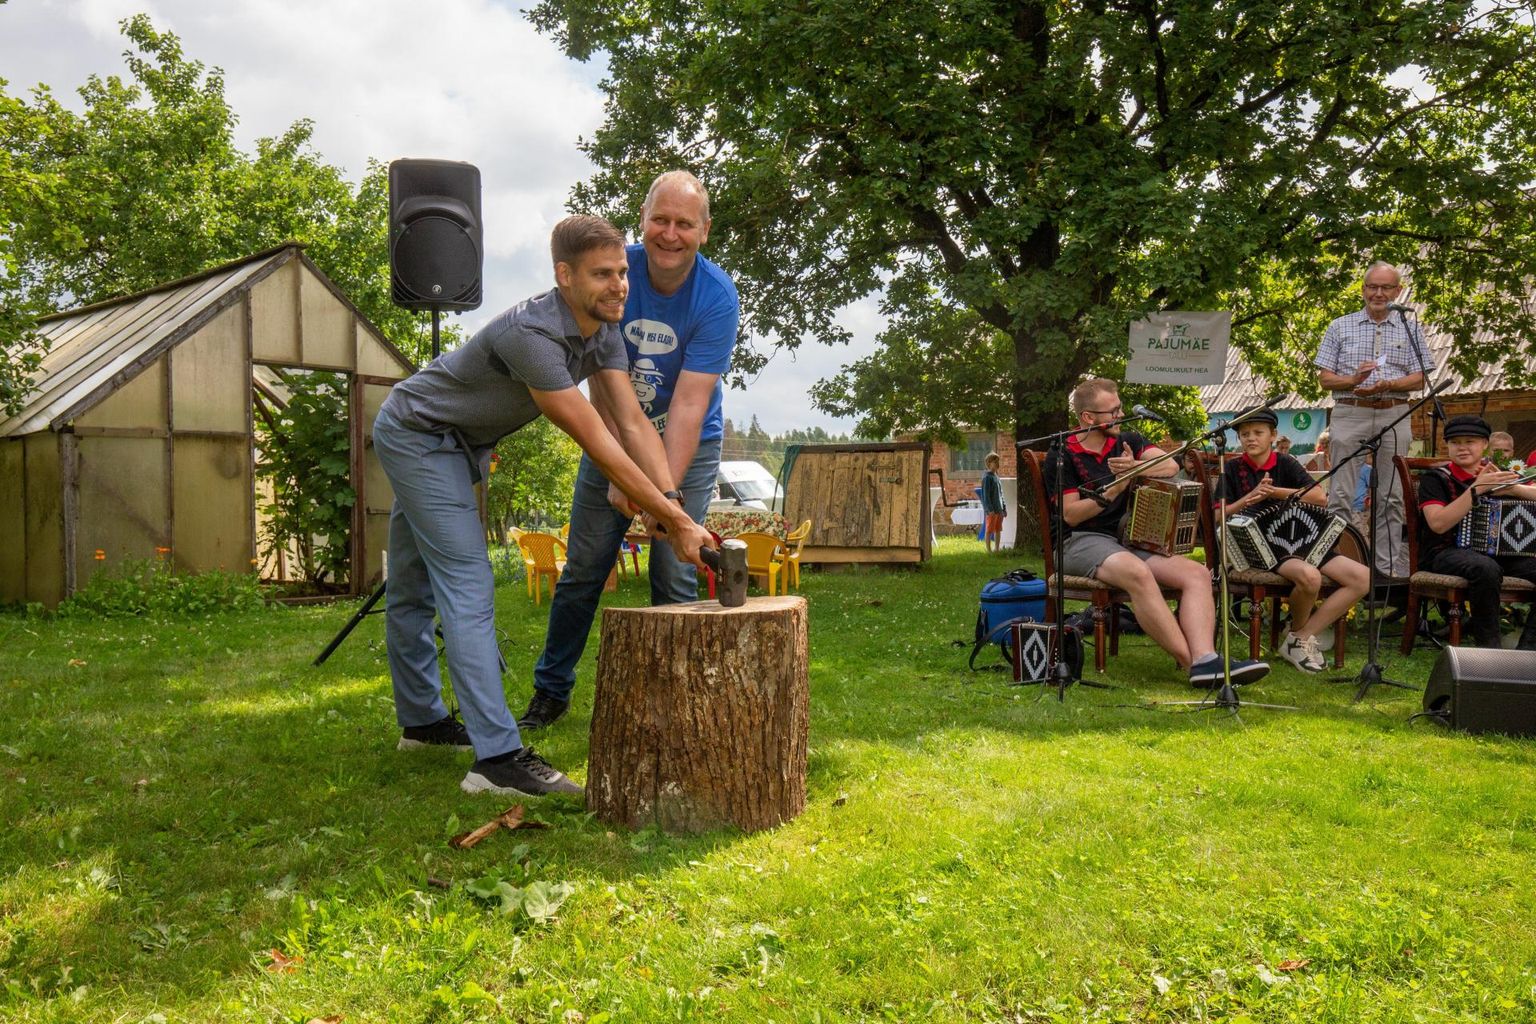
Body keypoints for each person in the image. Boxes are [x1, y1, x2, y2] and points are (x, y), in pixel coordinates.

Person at [374, 215, 715, 797]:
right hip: (417, 434)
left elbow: (632, 420)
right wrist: (674, 517)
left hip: (461, 444)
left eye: (621, 273)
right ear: (564, 275)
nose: (619, 286)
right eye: (602, 274)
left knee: (410, 586)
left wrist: (673, 505)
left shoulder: (602, 330)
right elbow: (597, 440)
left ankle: (423, 723)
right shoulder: (530, 335)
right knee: (467, 582)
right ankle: (498, 759)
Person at [522, 171, 739, 730]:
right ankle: (551, 692)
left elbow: (690, 405)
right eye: (659, 220)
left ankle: (679, 696)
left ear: (704, 231)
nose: (670, 234)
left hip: (686, 440)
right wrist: (619, 469)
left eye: (684, 223)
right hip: (611, 431)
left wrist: (660, 495)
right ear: (642, 221)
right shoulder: (615, 271)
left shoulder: (717, 298)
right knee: (584, 571)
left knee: (675, 571)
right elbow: (602, 379)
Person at [1044, 377, 1270, 687]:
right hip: (1077, 542)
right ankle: (1195, 665)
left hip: (1125, 539)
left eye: (1120, 407)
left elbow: (1168, 466)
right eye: (1113, 411)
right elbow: (1071, 515)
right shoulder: (1062, 453)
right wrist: (1116, 487)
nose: (1121, 415)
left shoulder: (1128, 440)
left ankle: (1207, 658)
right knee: (1138, 573)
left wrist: (1133, 467)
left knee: (1196, 574)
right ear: (1087, 418)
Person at [1215, 411, 1370, 672]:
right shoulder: (1231, 469)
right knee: (1310, 577)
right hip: (1263, 546)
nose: (1251, 438)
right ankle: (1299, 640)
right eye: (1245, 434)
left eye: (1258, 432)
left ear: (1273, 436)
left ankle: (1299, 637)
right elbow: (1218, 515)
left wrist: (1275, 492)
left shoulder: (1286, 463)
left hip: (1304, 539)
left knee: (1363, 577)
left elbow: (1319, 498)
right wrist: (1250, 497)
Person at [1314, 261, 1433, 579]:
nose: (1378, 293)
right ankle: (1334, 563)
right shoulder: (1340, 325)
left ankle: (1387, 571)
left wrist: (1390, 384)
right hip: (1350, 410)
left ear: (1398, 291)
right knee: (1340, 493)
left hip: (1395, 411)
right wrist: (1353, 379)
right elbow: (1325, 379)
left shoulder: (1410, 327)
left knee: (1392, 494)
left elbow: (1421, 378)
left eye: (1386, 287)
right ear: (1363, 289)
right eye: (1372, 287)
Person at [1416, 416, 1536, 649]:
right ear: (1447, 446)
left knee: (1491, 564)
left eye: (1469, 441)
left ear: (1484, 445)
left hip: (1500, 553)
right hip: (1445, 552)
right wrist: (1476, 488)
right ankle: (1489, 648)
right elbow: (1438, 524)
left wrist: (1513, 488)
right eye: (1455, 442)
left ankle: (1528, 650)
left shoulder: (1499, 474)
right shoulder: (1435, 479)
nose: (1462, 448)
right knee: (1485, 568)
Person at [979, 452, 1006, 553]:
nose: (998, 464)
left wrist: (1004, 507)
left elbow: (1001, 493)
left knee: (998, 529)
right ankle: (989, 550)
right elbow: (986, 496)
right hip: (992, 510)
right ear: (989, 463)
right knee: (989, 529)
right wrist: (989, 509)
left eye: (998, 461)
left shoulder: (996, 477)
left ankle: (997, 549)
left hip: (999, 508)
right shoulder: (987, 477)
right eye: (995, 462)